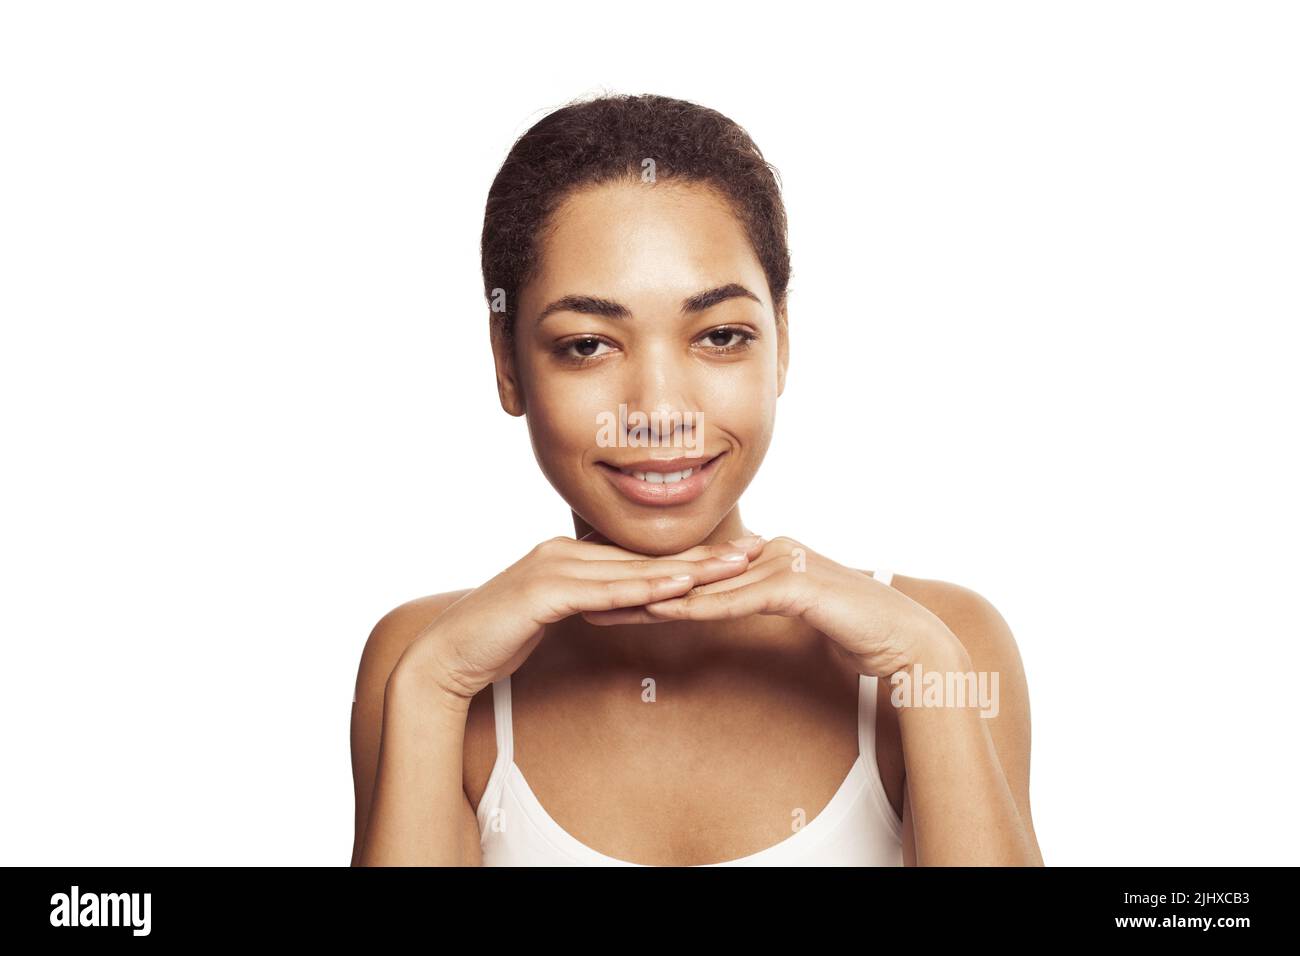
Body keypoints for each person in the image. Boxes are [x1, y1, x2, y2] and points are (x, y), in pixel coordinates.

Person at [350, 93, 1043, 866]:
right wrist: (432, 687)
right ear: (508, 365)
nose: (661, 412)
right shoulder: (428, 659)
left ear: (781, 342)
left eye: (719, 336)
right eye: (587, 345)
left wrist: (927, 664)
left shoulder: (943, 640)